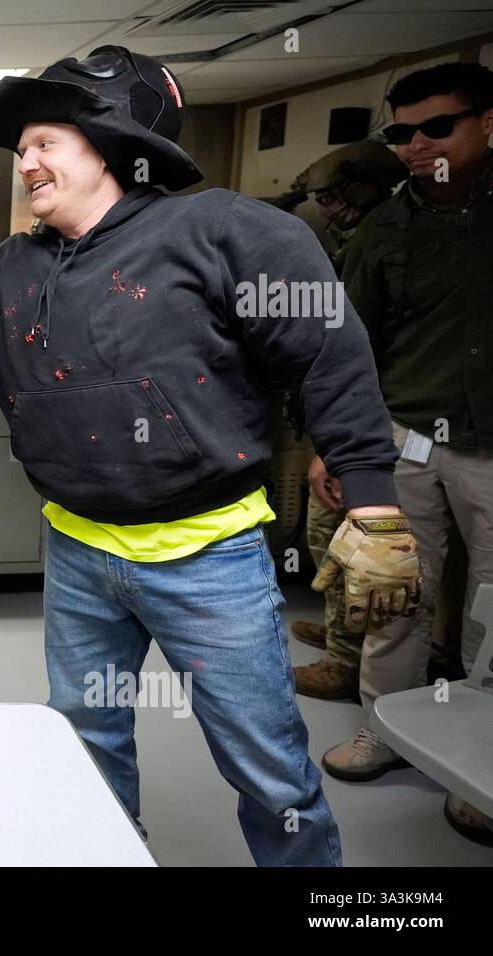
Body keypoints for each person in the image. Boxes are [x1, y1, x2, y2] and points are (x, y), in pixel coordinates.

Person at [0, 46, 424, 865]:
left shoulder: (222, 231)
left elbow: (329, 353)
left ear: (114, 142)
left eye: (46, 141)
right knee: (83, 752)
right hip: (80, 552)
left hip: (207, 557)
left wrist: (371, 502)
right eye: (21, 150)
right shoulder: (6, 270)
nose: (26, 162)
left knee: (270, 775)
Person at [322, 62, 493, 846]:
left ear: (486, 123)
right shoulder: (384, 231)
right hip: (407, 439)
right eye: (402, 133)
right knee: (391, 591)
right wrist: (337, 448)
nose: (418, 146)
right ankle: (385, 732)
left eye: (437, 127)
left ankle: (484, 768)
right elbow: (346, 349)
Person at [271, 141, 408, 701]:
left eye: (331, 198)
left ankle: (349, 663)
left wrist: (337, 445)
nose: (324, 210)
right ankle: (342, 640)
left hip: (382, 425)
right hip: (349, 422)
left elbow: (360, 353)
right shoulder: (353, 242)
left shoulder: (388, 240)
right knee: (328, 537)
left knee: (354, 544)